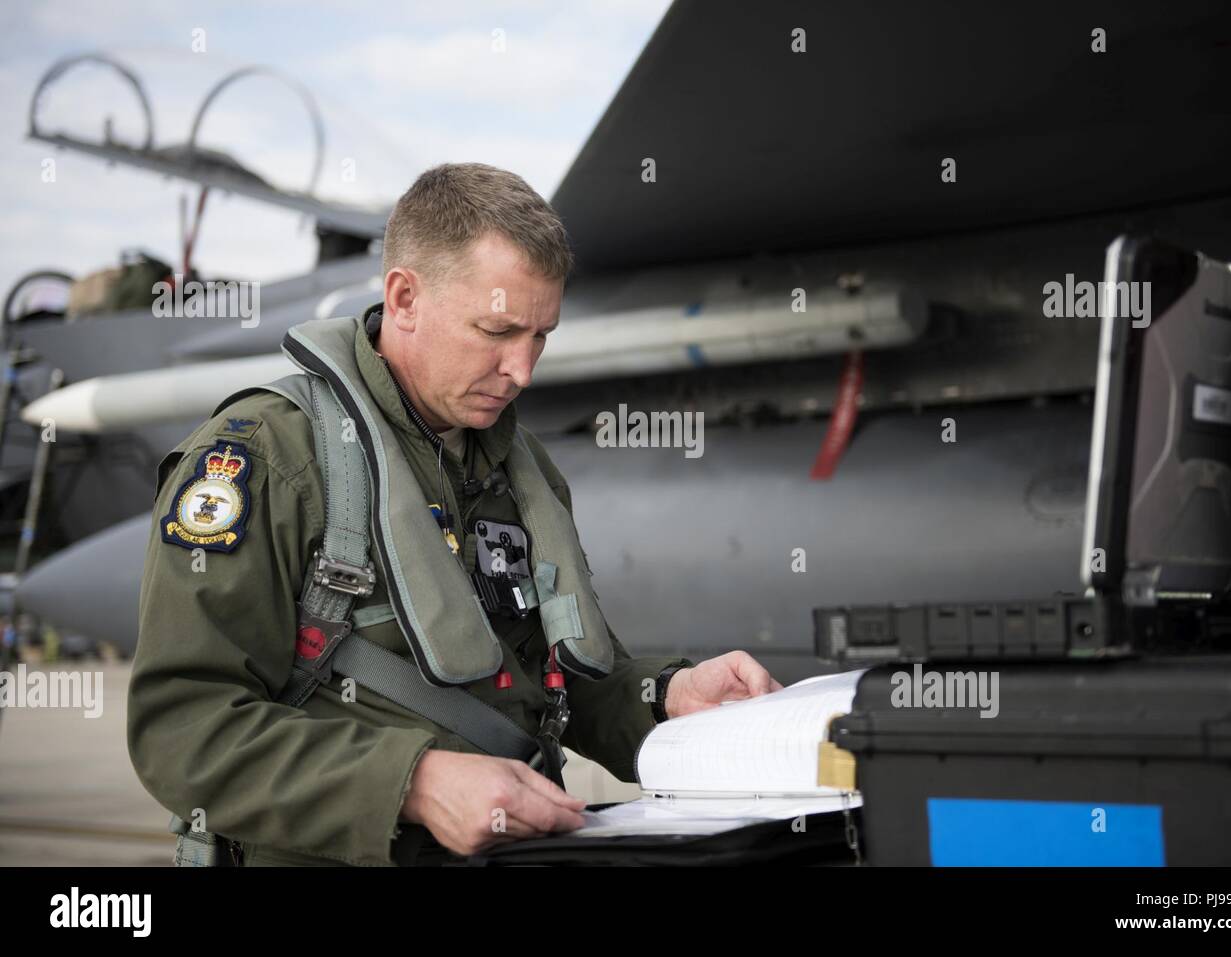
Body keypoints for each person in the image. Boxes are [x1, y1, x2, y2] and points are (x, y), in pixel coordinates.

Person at [128, 163, 781, 867]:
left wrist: (667, 695)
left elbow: (558, 683)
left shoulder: (516, 472)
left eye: (540, 336)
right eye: (497, 330)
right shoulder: (269, 459)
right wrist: (411, 782)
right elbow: (183, 728)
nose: (523, 369)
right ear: (405, 297)